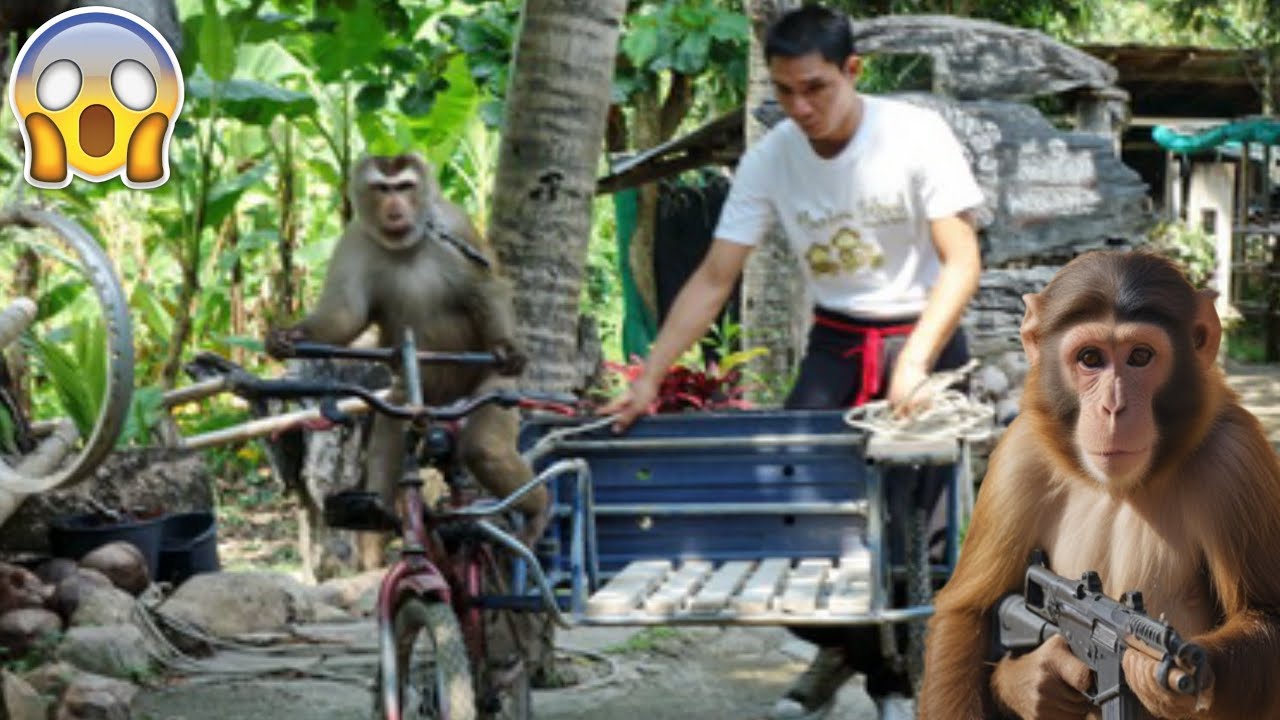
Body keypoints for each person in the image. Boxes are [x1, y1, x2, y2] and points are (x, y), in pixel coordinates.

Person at [602, 5, 985, 720]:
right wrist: (650, 372)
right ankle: (848, 652)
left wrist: (918, 362)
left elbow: (963, 259)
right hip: (837, 342)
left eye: (815, 88)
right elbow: (717, 275)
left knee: (920, 540)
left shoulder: (913, 136)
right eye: (784, 92)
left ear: (852, 72)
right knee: (792, 519)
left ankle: (897, 683)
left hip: (925, 336)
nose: (800, 107)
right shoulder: (773, 154)